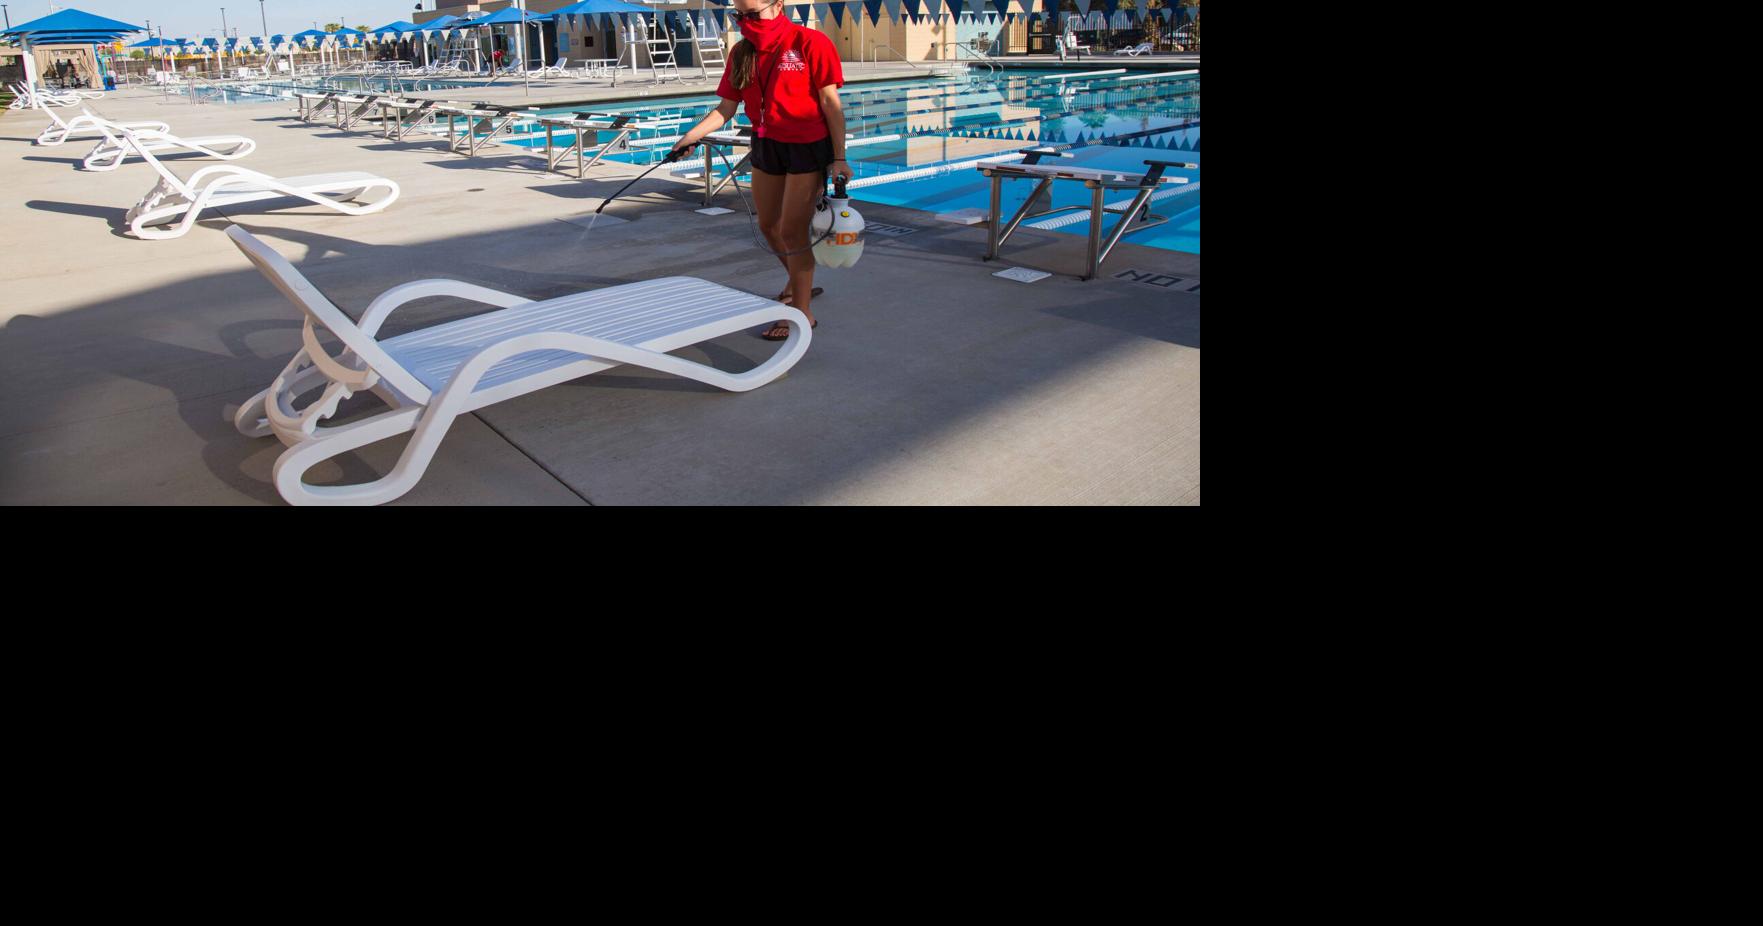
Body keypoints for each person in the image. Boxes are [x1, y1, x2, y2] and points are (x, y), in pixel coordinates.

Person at [667, 0, 850, 340]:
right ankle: (798, 280)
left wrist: (839, 157)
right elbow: (726, 108)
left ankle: (802, 312)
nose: (746, 22)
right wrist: (689, 137)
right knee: (769, 225)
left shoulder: (810, 43)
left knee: (793, 231)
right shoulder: (742, 53)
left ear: (778, 5)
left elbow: (830, 103)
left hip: (807, 146)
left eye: (753, 14)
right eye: (739, 15)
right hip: (766, 144)